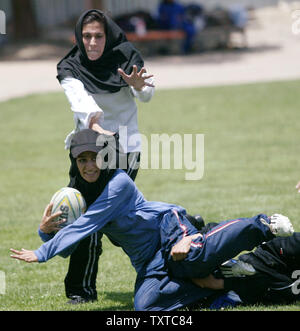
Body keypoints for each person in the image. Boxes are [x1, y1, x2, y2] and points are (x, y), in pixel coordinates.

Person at [11, 129, 295, 311]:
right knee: (146, 307)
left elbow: (88, 225)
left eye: (93, 157)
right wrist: (45, 232)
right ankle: (225, 279)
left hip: (168, 229)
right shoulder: (81, 196)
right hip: (149, 261)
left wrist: (41, 253)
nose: (88, 165)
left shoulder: (118, 183)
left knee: (187, 258)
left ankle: (261, 225)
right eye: (81, 160)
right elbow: (75, 245)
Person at [54, 9, 155, 303]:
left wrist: (139, 87)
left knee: (112, 222)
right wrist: (94, 122)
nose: (92, 42)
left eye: (98, 36)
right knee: (86, 218)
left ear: (108, 35)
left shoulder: (126, 57)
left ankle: (168, 237)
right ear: (79, 37)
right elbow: (78, 99)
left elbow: (147, 93)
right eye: (86, 36)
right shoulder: (70, 65)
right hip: (87, 148)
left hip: (124, 150)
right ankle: (80, 291)